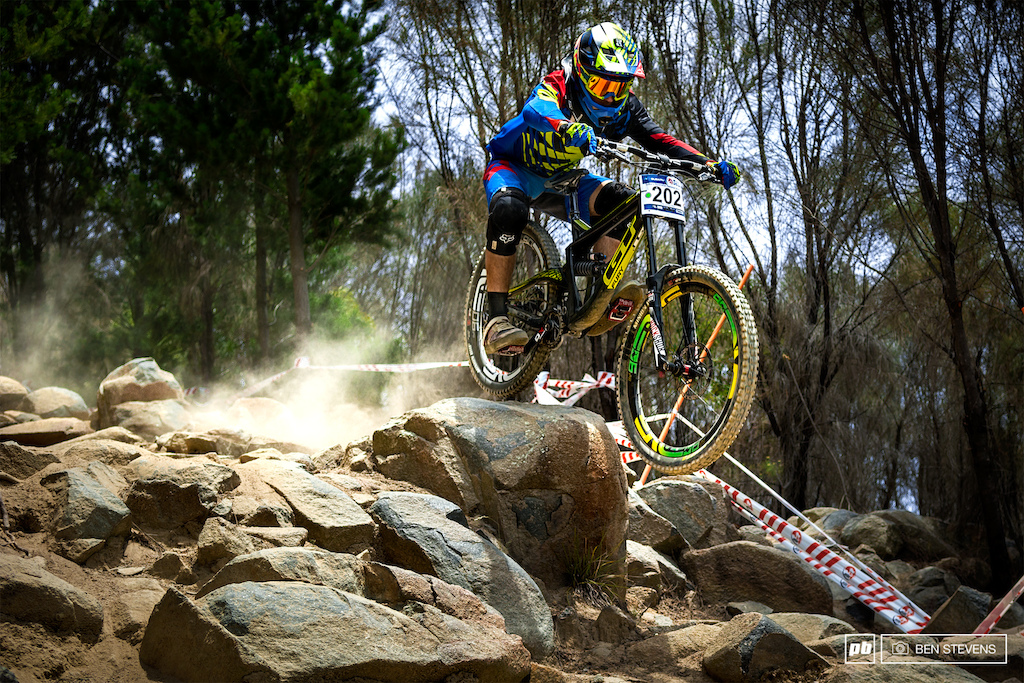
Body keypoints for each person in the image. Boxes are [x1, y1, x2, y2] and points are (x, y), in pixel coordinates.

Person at [481, 21, 741, 354]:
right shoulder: (560, 84)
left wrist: (708, 166)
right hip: (512, 167)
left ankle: (597, 294)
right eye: (603, 84)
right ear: (582, 71)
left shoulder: (625, 110)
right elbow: (535, 110)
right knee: (510, 210)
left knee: (624, 202)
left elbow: (662, 140)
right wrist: (564, 125)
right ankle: (496, 320)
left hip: (562, 179)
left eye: (620, 87)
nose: (611, 95)